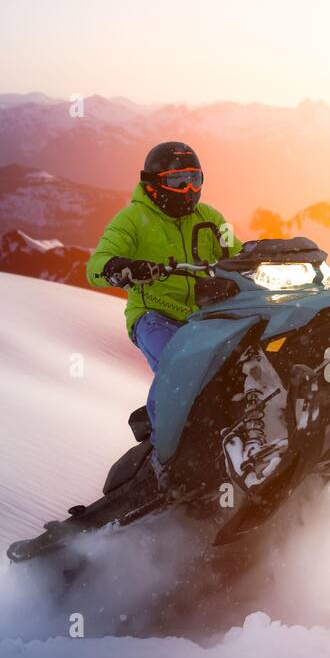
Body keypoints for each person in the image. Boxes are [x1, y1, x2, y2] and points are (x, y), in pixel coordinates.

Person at [86, 141, 242, 439]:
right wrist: (118, 267)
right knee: (179, 366)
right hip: (154, 315)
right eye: (177, 180)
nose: (187, 189)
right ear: (155, 183)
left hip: (206, 317)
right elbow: (95, 264)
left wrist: (259, 258)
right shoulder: (132, 219)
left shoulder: (211, 217)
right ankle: (165, 450)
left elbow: (237, 254)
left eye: (194, 178)